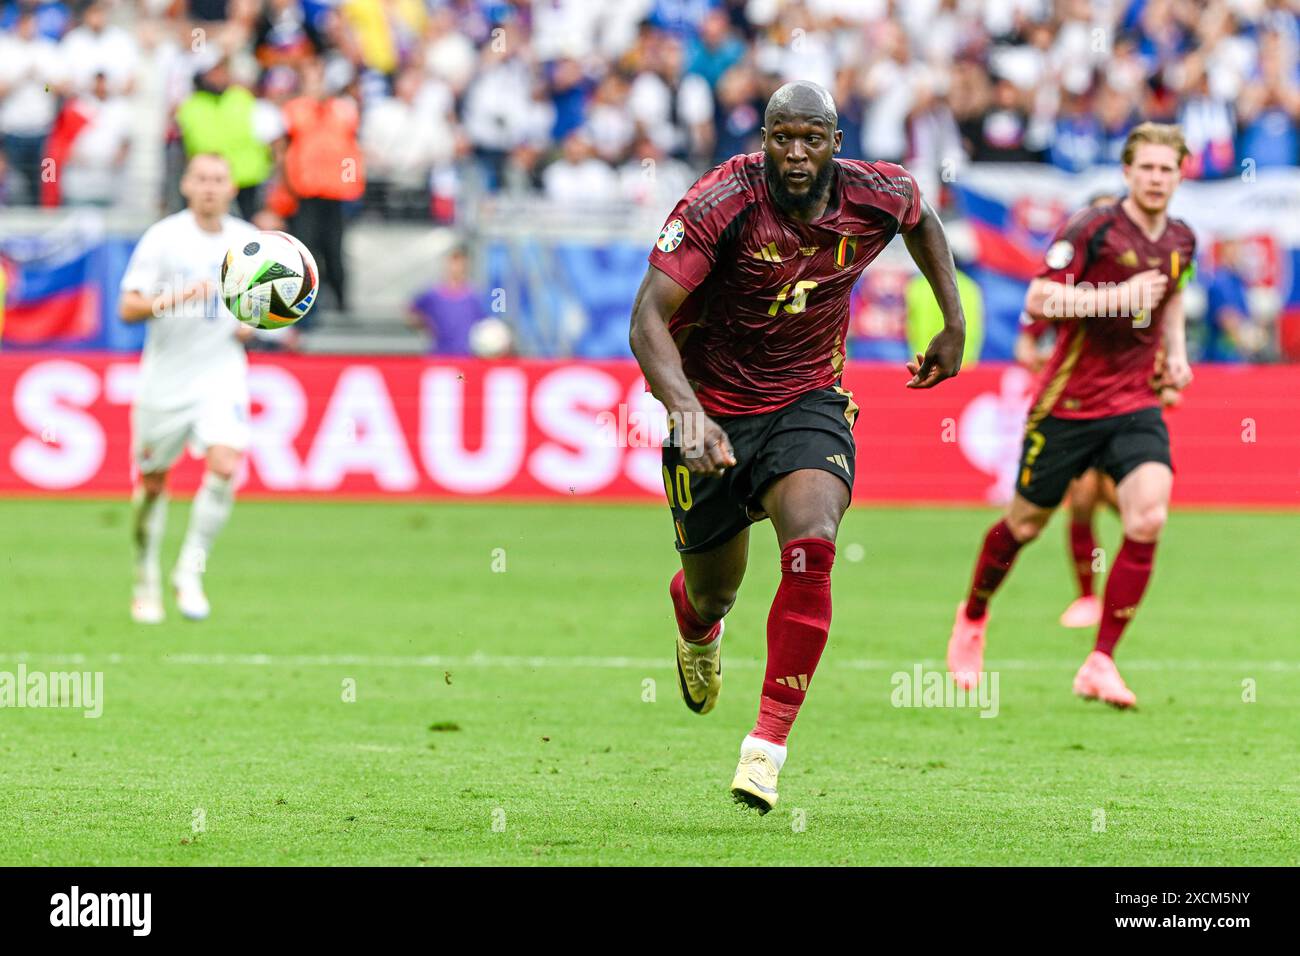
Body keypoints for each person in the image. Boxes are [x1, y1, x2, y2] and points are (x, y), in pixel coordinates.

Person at [628, 81, 964, 813]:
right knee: (716, 588)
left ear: (836, 143)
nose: (798, 152)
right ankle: (697, 624)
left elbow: (924, 218)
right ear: (765, 140)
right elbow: (647, 320)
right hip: (709, 412)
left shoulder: (879, 192)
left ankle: (766, 746)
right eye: (783, 137)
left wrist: (953, 321)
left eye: (812, 137)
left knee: (812, 542)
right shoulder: (720, 202)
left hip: (807, 398)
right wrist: (685, 413)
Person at [946, 123, 1196, 709]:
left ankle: (1100, 660)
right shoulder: (1094, 227)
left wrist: (1177, 357)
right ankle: (974, 614)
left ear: (1181, 175)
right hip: (1070, 405)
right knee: (1025, 525)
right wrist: (1114, 298)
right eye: (1147, 168)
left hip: (1136, 405)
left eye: (1168, 169)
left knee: (1150, 515)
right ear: (1129, 172)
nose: (1157, 179)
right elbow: (1038, 298)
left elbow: (1174, 293)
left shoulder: (1183, 237)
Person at [117, 153, 261, 624]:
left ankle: (189, 570)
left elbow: (269, 310)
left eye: (218, 179)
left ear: (232, 186)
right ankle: (145, 576)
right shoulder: (164, 237)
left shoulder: (250, 243)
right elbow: (127, 307)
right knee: (154, 484)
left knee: (226, 464)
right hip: (166, 379)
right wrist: (175, 297)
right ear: (185, 185)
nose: (209, 188)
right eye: (201, 179)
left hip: (222, 373)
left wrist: (252, 327)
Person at [407, 245, 483, 356]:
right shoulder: (432, 294)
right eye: (454, 261)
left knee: (461, 374)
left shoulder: (475, 296)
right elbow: (411, 312)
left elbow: (484, 323)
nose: (457, 267)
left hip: (467, 357)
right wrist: (425, 324)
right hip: (440, 355)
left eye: (461, 262)